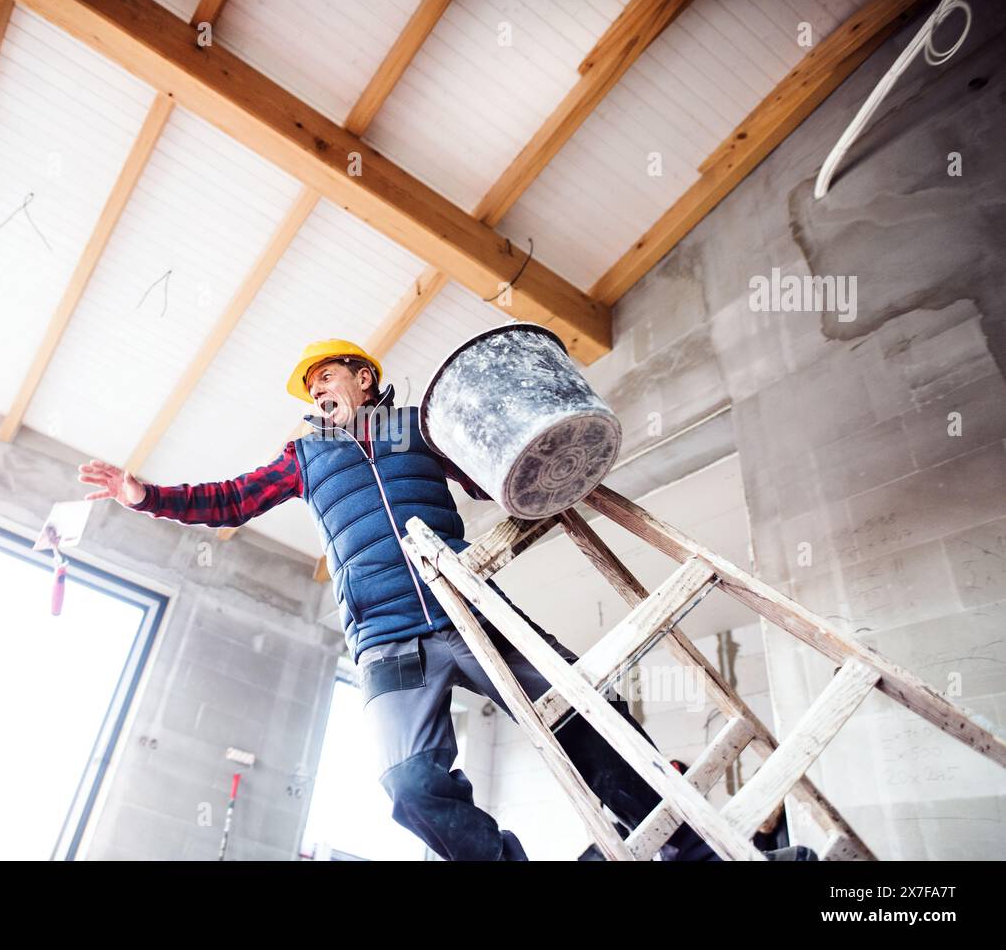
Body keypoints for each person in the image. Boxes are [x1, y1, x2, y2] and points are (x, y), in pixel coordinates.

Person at [78, 338, 720, 861]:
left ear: (362, 376)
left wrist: (546, 448)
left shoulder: (418, 427)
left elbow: (494, 474)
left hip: (466, 609)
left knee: (586, 709)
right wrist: (145, 496)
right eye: (310, 389)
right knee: (409, 788)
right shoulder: (303, 456)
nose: (318, 392)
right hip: (385, 641)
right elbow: (229, 501)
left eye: (325, 377)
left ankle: (689, 847)